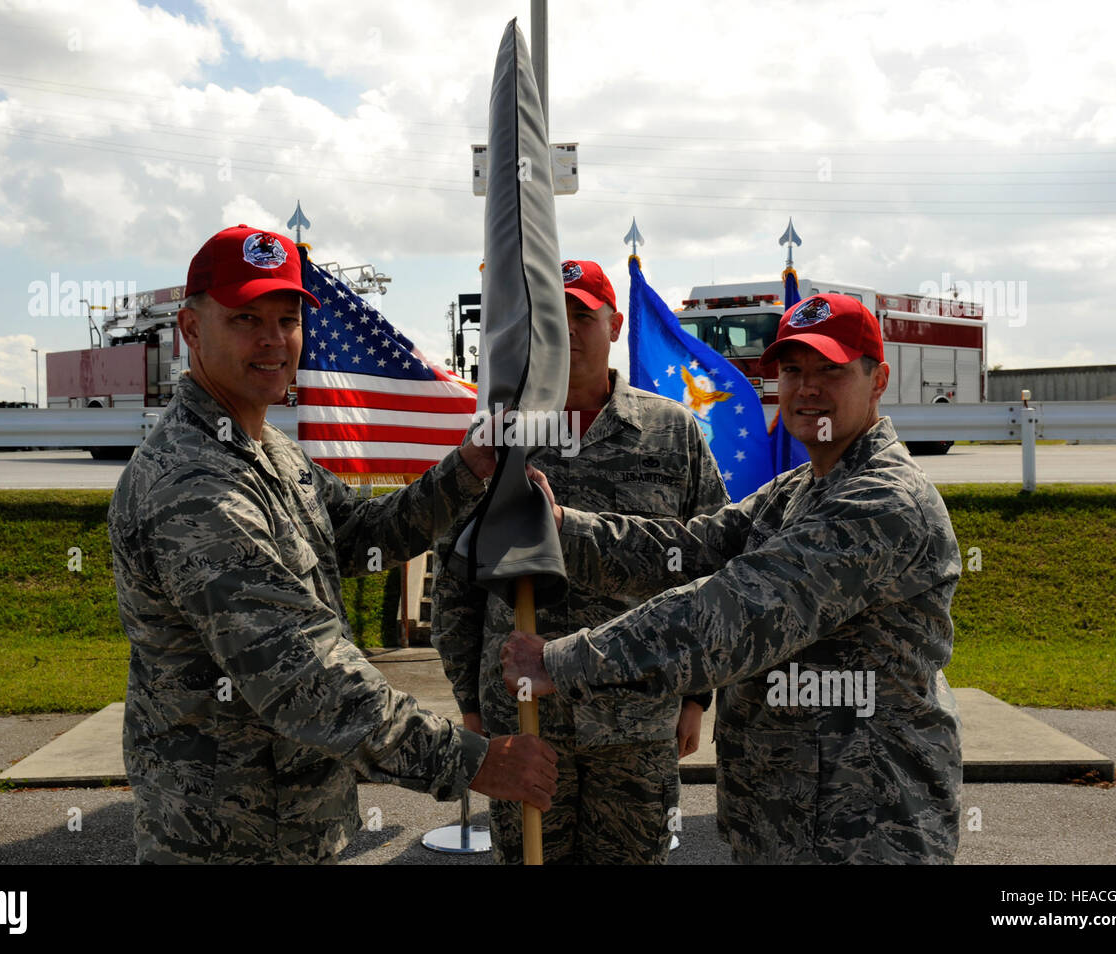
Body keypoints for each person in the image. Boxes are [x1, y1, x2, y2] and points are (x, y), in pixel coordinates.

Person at [108, 224, 557, 864]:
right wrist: (474, 762)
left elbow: (361, 536)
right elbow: (301, 672)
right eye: (245, 318)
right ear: (190, 328)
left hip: (292, 822)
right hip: (225, 837)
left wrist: (469, 469)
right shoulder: (193, 487)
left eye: (287, 320)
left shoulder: (266, 449)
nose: (273, 340)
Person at [502, 293, 964, 864]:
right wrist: (564, 527)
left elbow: (732, 614)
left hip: (865, 824)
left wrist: (559, 661)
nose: (807, 387)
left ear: (878, 379)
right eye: (793, 370)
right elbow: (692, 549)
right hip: (789, 819)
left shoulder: (883, 500)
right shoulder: (801, 489)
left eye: (830, 369)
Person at [432, 259, 729, 864]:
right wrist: (468, 700)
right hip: (524, 718)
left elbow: (714, 569)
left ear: (614, 325)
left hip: (639, 714)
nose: (565, 331)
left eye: (580, 316)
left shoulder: (672, 433)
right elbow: (456, 584)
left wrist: (698, 696)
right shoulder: (502, 437)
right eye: (551, 317)